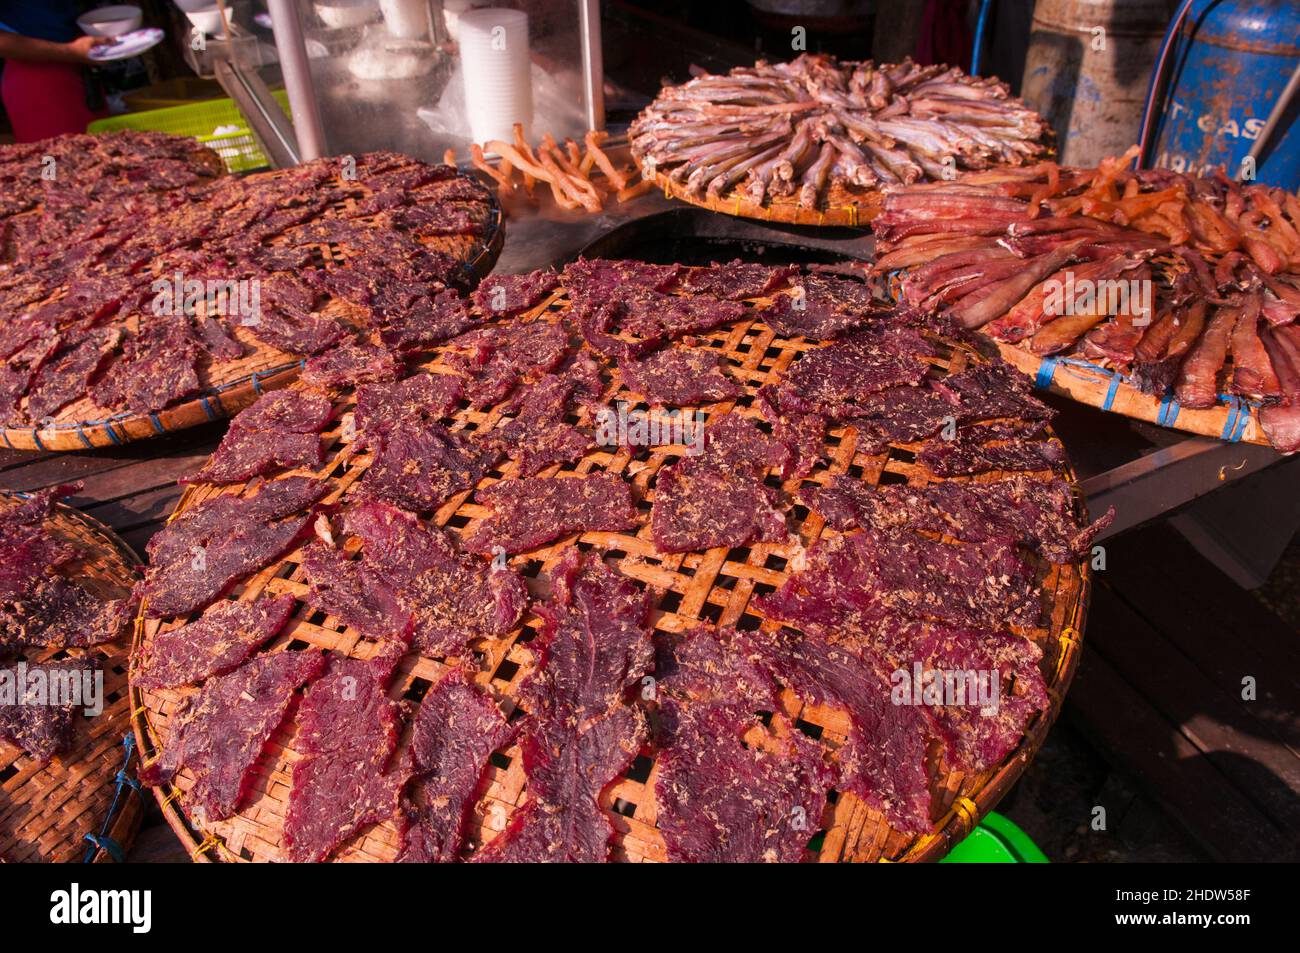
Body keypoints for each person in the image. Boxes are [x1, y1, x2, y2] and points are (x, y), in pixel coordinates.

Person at [0, 2, 109, 142]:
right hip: (36, 78)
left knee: (98, 154)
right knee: (52, 158)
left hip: (83, 68)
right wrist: (71, 51)